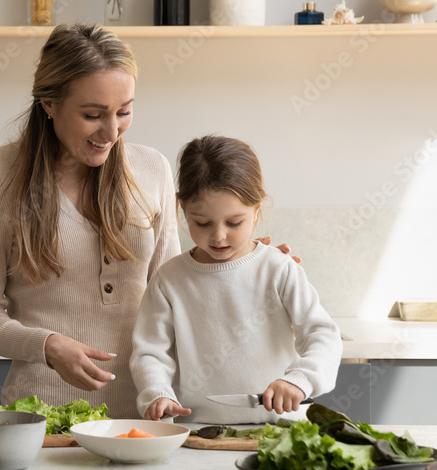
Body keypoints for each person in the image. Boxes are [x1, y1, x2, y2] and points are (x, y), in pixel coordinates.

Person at [0, 22, 181, 419]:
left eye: (124, 111)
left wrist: (250, 265)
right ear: (49, 103)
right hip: (43, 421)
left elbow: (177, 294)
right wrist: (47, 346)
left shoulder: (153, 170)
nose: (112, 131)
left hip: (146, 415)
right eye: (93, 114)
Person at [130, 135, 342, 424]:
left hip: (279, 429)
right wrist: (156, 393)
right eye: (202, 222)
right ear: (182, 209)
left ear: (257, 210)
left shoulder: (279, 269)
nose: (218, 235)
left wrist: (299, 380)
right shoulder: (169, 280)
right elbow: (150, 352)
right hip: (198, 434)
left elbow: (322, 335)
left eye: (234, 222)